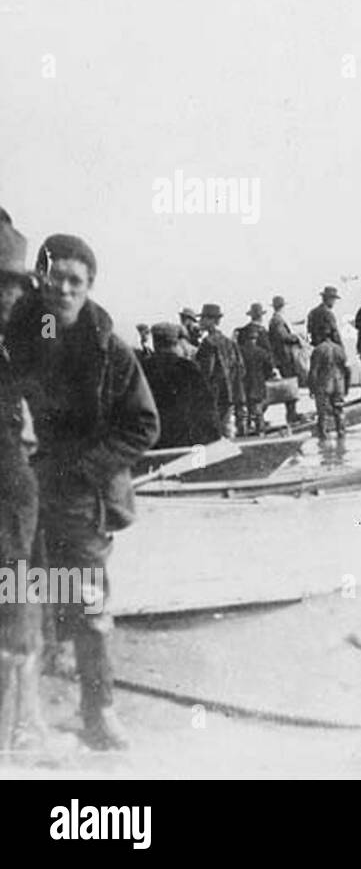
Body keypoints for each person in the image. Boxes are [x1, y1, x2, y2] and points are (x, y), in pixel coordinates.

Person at [9, 233, 160, 751]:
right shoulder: (25, 333)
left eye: (76, 281)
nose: (64, 289)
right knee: (24, 596)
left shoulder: (110, 351)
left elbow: (143, 425)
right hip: (25, 488)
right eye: (56, 277)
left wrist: (86, 470)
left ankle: (100, 712)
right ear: (41, 278)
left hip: (80, 494)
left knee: (88, 603)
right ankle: (27, 717)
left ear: (89, 286)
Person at [0, 212, 47, 753]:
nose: (13, 297)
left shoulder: (21, 338)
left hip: (20, 496)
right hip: (9, 502)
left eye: (15, 287)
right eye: (6, 286)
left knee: (27, 595)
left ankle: (25, 719)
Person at [141, 323, 222, 448]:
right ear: (177, 342)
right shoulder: (188, 368)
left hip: (153, 440)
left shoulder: (144, 368)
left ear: (155, 343)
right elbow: (206, 407)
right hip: (185, 440)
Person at [194, 303, 246, 438]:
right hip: (230, 393)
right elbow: (240, 369)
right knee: (227, 426)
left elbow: (205, 372)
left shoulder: (208, 343)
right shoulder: (230, 343)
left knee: (213, 430)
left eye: (203, 318)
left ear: (211, 321)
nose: (200, 321)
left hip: (214, 394)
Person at [235, 303, 275, 435]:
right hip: (258, 381)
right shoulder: (262, 343)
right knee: (258, 409)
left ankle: (244, 432)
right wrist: (269, 374)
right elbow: (269, 363)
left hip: (243, 382)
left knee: (243, 410)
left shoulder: (240, 343)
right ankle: (260, 432)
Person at [267, 295, 304, 424]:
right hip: (284, 358)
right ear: (282, 307)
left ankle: (292, 413)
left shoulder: (276, 319)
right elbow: (283, 336)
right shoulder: (277, 320)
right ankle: (291, 415)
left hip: (283, 357)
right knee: (290, 385)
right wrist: (297, 337)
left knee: (290, 385)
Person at [308, 333, 349, 439]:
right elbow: (347, 370)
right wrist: (346, 387)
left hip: (324, 384)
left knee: (323, 413)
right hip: (339, 383)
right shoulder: (339, 349)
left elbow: (313, 371)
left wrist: (312, 388)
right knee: (339, 411)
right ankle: (341, 434)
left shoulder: (318, 350)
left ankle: (323, 439)